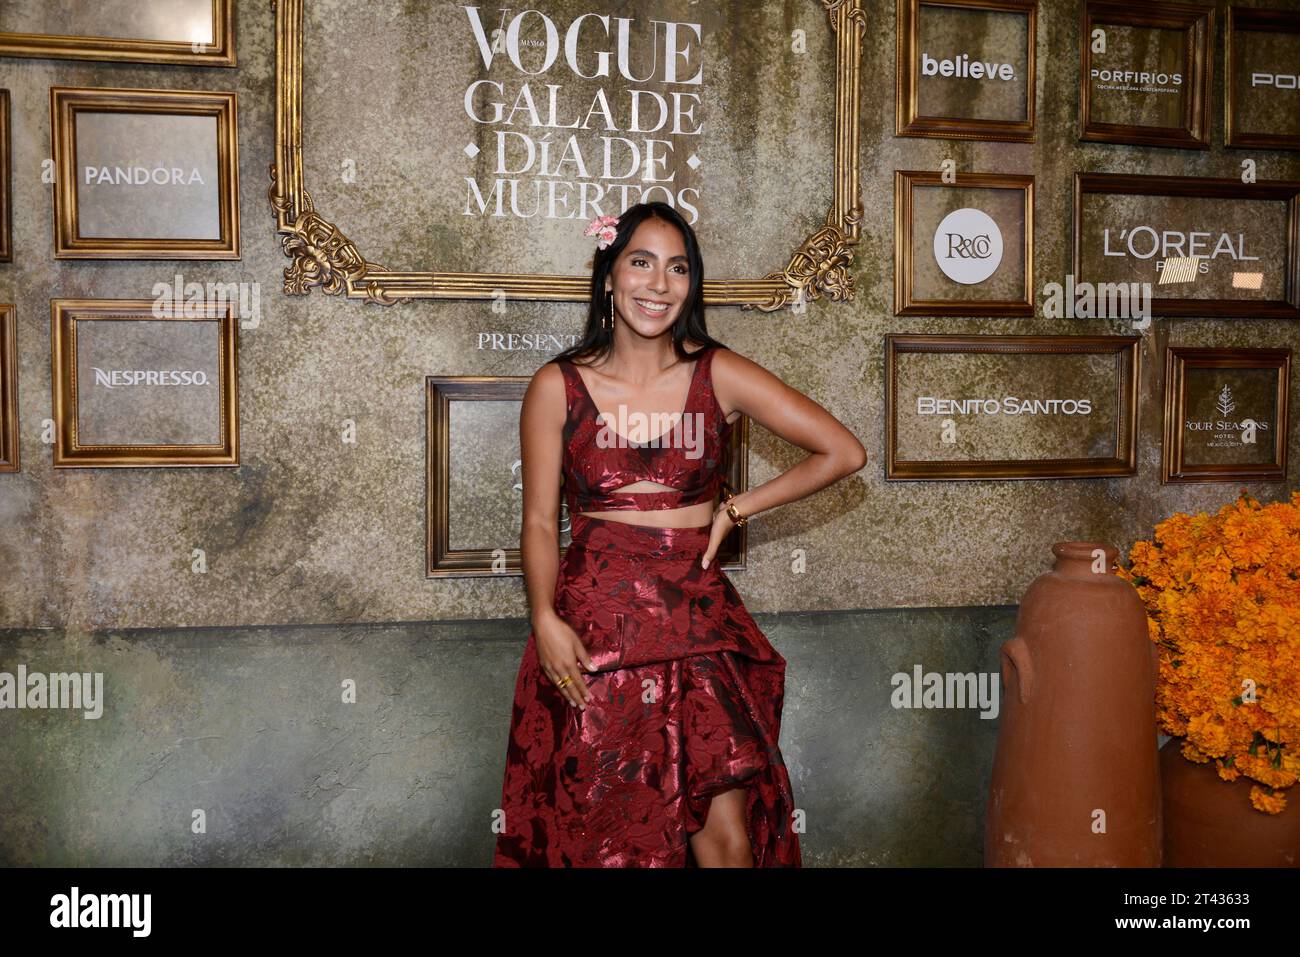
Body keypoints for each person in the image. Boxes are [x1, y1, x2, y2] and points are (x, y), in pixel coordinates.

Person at [493, 202, 867, 867]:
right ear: (609, 275)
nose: (658, 284)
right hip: (594, 637)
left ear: (691, 284)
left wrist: (739, 507)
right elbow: (536, 523)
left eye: (677, 268)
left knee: (729, 843)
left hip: (697, 627)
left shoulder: (717, 373)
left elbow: (843, 451)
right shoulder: (557, 385)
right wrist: (544, 617)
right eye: (640, 263)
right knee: (600, 835)